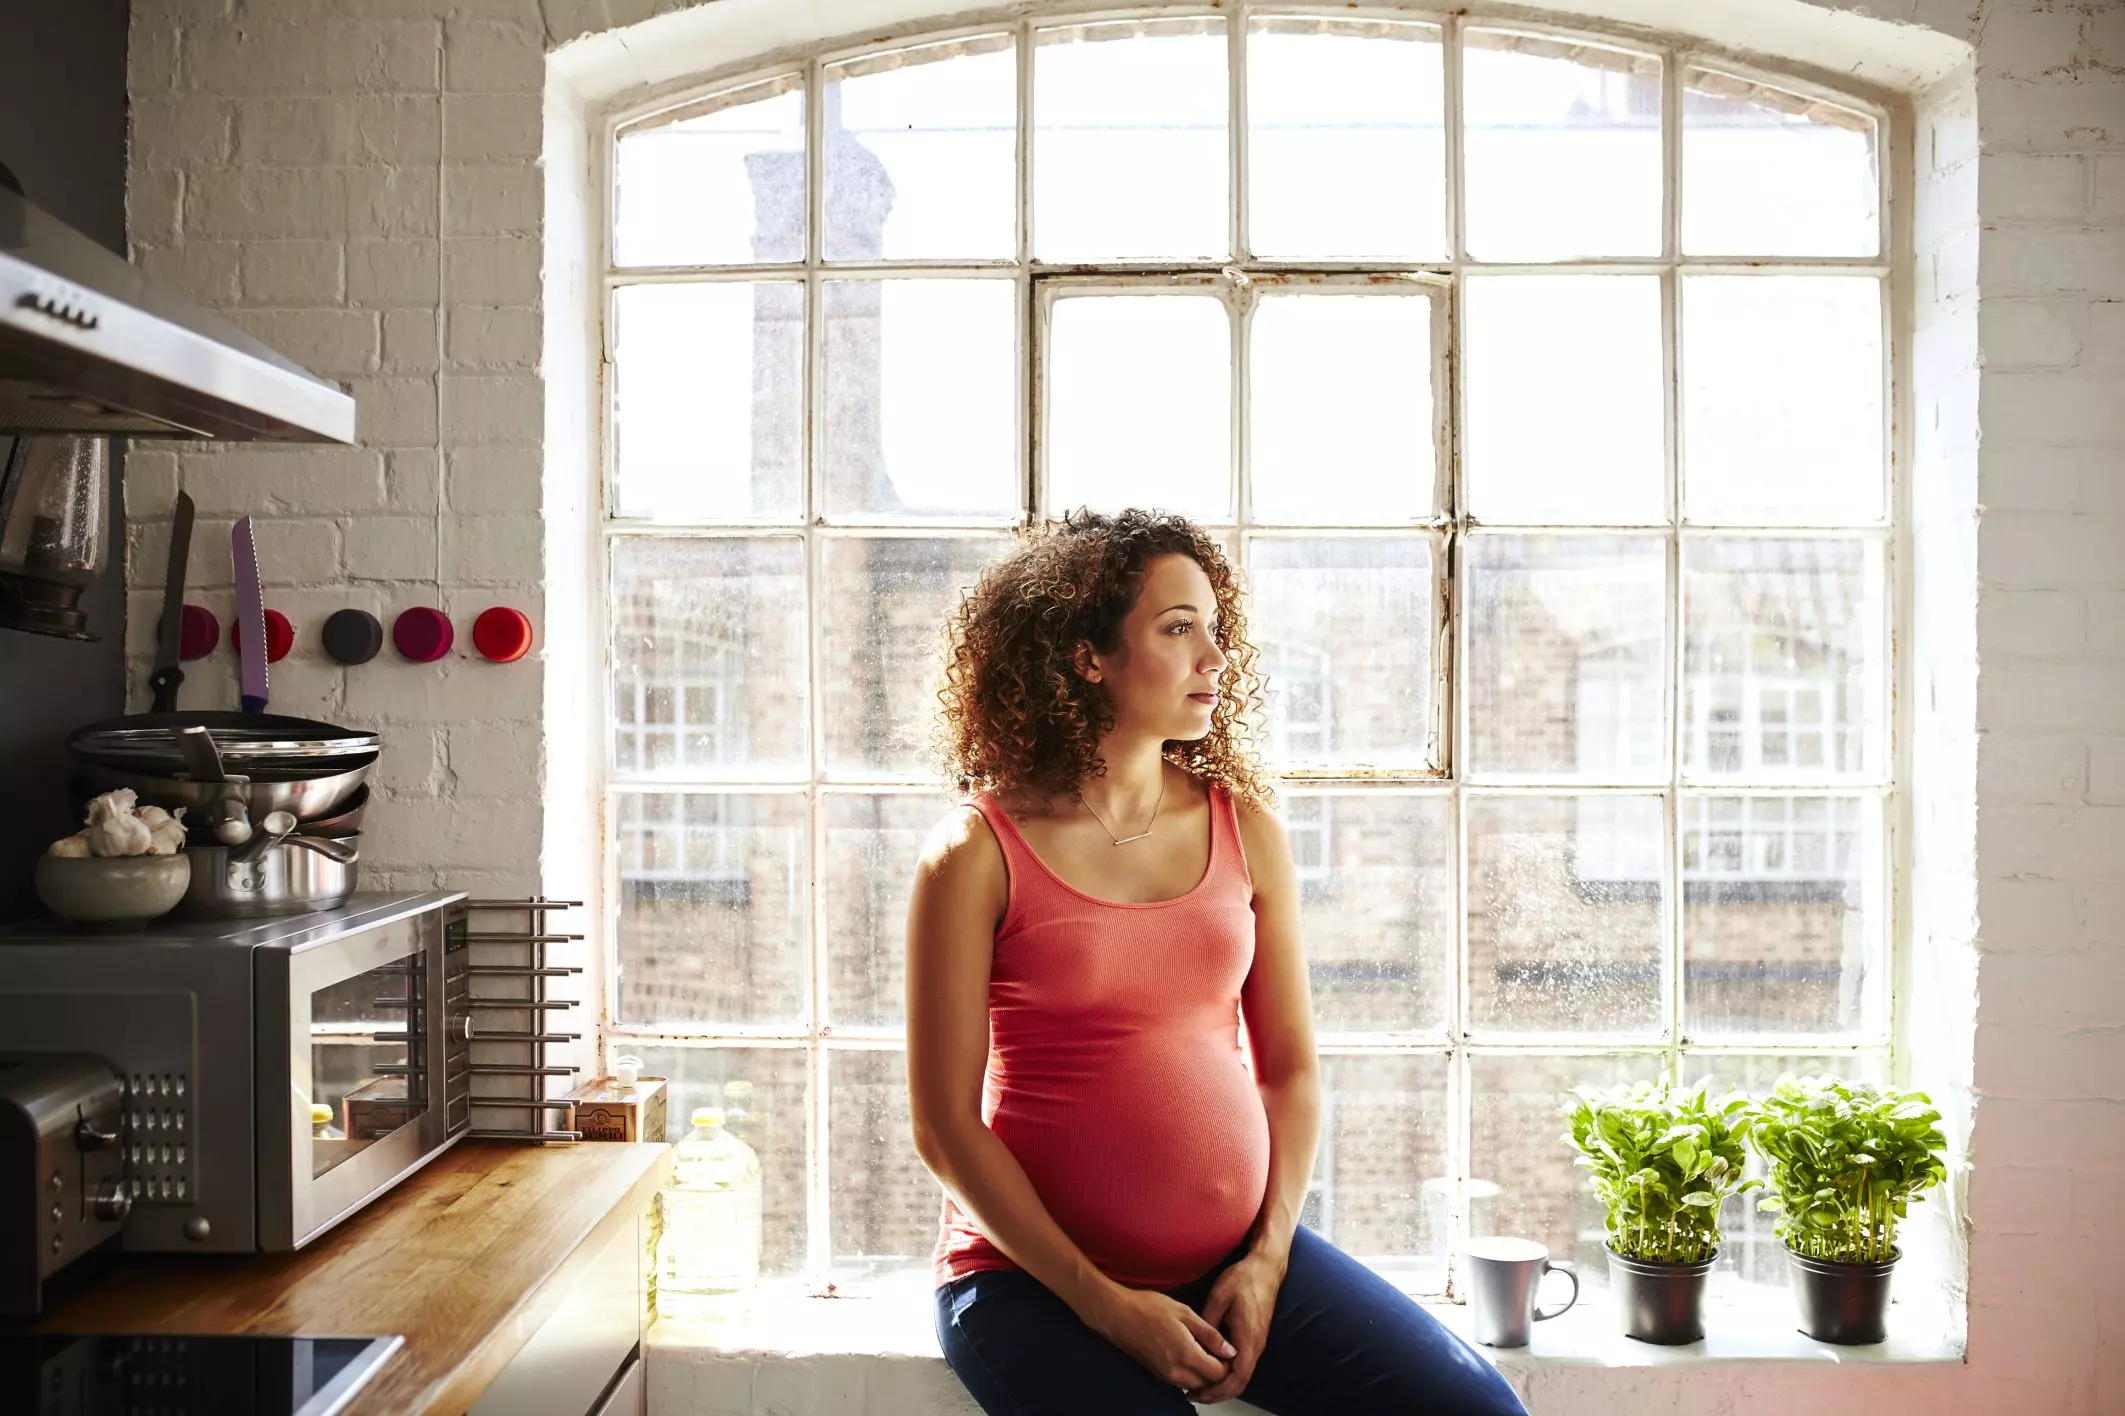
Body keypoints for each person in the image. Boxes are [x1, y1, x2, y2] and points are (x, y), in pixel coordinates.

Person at [905, 508, 1528, 1415]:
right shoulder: (975, 852)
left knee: (1482, 1413)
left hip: (1235, 1261)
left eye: (1215, 629)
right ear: (1088, 656)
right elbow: (943, 1127)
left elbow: (1291, 1071)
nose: (1215, 658)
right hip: (1027, 1285)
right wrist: (1109, 1308)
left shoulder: (1246, 827)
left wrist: (1269, 1260)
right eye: (1176, 629)